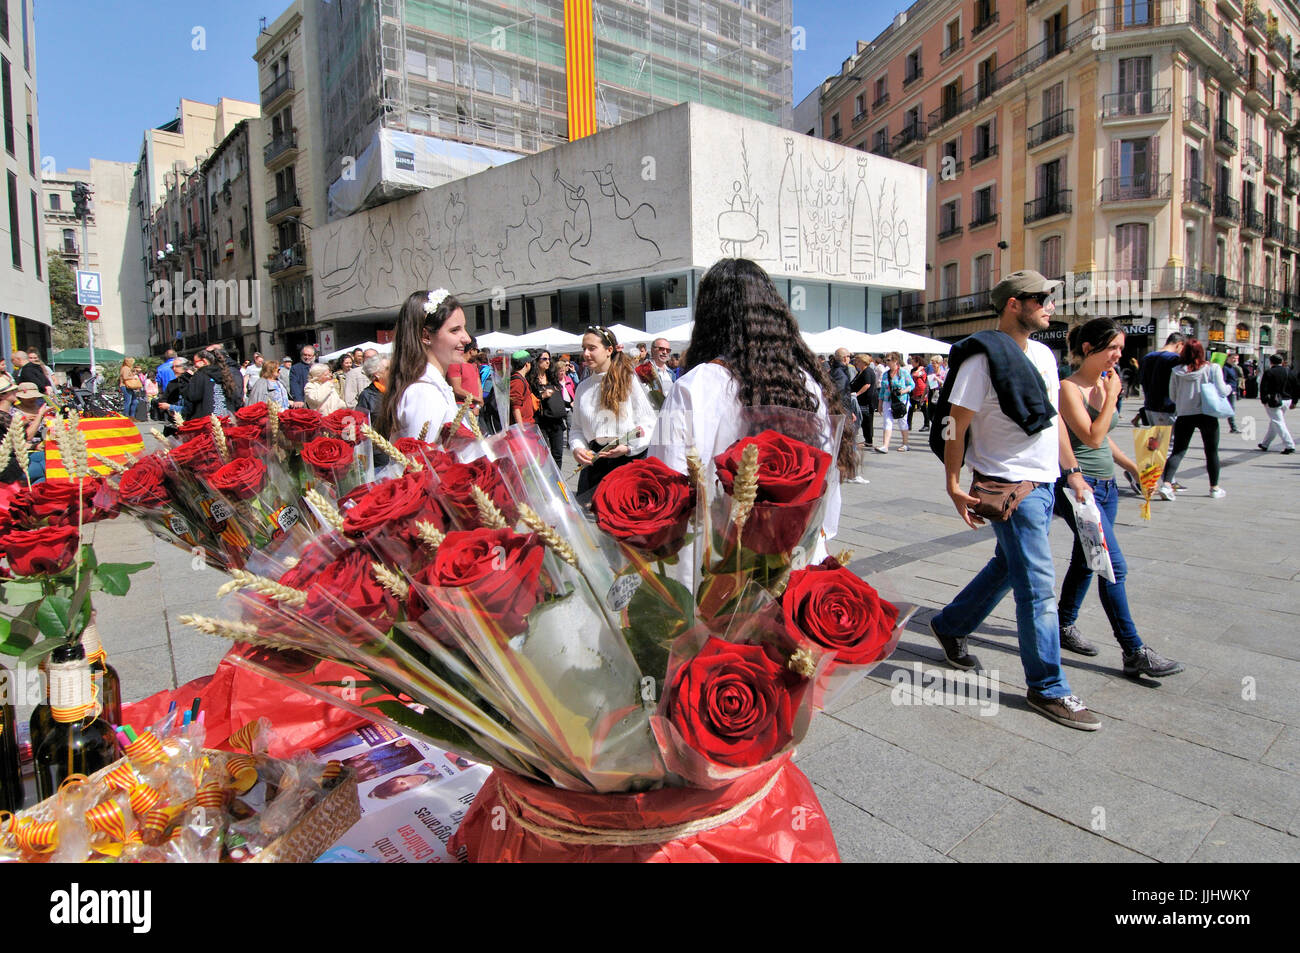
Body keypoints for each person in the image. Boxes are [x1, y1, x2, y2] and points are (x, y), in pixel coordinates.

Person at [931, 269, 1101, 731]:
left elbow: (1054, 422)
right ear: (1013, 303)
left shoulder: (1045, 355)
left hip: (1046, 483)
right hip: (1008, 486)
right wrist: (952, 483)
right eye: (1040, 297)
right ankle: (1047, 687)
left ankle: (950, 624)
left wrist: (1072, 472)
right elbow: (957, 426)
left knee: (1009, 566)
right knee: (1038, 587)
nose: (1049, 303)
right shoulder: (981, 360)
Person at [649, 259, 854, 559]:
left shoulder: (693, 386)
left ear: (708, 316)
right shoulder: (807, 384)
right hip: (793, 552)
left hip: (718, 565)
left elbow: (666, 479)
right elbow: (826, 477)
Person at [1053, 318, 1185, 677]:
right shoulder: (1069, 388)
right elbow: (1091, 438)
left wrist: (1133, 468)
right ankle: (1133, 650)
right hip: (1080, 487)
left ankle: (1063, 625)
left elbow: (1106, 440)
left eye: (1121, 350)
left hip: (1108, 487)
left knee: (1085, 560)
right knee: (1113, 566)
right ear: (1088, 349)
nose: (1119, 356)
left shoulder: (1102, 384)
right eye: (1113, 348)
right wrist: (1111, 397)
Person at [377, 290, 471, 443]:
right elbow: (422, 461)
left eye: (464, 328)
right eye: (455, 330)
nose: (467, 338)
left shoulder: (433, 386)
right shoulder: (424, 392)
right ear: (426, 336)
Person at [571, 327, 656, 495]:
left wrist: (628, 448)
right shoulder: (582, 387)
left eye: (592, 348)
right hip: (594, 466)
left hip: (626, 465)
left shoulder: (629, 380)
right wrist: (578, 448)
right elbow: (576, 429)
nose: (586, 354)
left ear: (609, 350)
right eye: (584, 348)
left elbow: (648, 423)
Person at [1160, 339, 1231, 499]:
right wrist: (1230, 388)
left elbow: (1172, 395)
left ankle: (1166, 485)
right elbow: (1222, 390)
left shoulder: (1177, 371)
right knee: (1211, 451)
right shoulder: (1213, 369)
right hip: (1208, 414)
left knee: (1178, 450)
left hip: (1185, 414)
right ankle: (1214, 488)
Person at [527, 350, 567, 469]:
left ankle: (557, 482)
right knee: (542, 455)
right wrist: (542, 396)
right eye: (544, 359)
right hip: (542, 421)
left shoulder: (552, 377)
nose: (548, 361)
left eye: (549, 359)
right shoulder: (531, 380)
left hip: (557, 421)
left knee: (557, 454)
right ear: (537, 361)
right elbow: (529, 401)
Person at [1135, 331, 1185, 427]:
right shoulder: (1174, 359)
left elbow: (1141, 380)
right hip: (1166, 407)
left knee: (1156, 440)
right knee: (1167, 440)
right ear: (1179, 344)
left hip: (1149, 406)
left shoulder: (1147, 357)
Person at [184, 348, 244, 419]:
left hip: (207, 419)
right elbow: (237, 396)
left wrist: (185, 379)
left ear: (204, 361)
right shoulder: (228, 372)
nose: (194, 365)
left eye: (195, 362)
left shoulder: (200, 374)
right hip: (227, 416)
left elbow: (192, 396)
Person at [355, 355, 391, 469]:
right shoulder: (366, 396)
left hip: (400, 449)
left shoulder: (398, 390)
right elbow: (360, 428)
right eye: (388, 368)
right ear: (377, 374)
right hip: (380, 455)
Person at [1257, 352, 1296, 454]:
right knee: (1274, 422)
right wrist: (1295, 401)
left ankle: (1289, 445)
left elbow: (1263, 387)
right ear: (1282, 362)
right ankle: (1265, 443)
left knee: (1278, 422)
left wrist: (1264, 400)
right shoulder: (1289, 372)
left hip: (1274, 401)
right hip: (1287, 400)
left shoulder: (1269, 372)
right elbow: (1296, 387)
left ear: (1271, 362)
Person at [876, 352, 912, 452]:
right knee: (887, 421)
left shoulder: (903, 373)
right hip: (888, 400)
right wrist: (880, 404)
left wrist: (903, 391)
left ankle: (905, 444)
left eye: (888, 360)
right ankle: (885, 446)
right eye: (886, 360)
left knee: (902, 421)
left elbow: (911, 385)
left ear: (895, 361)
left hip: (901, 401)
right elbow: (882, 390)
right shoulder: (885, 374)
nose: (886, 362)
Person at [850, 353, 878, 449]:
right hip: (861, 400)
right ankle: (867, 439)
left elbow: (867, 385)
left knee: (867, 420)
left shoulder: (867, 371)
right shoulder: (861, 371)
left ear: (863, 362)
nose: (856, 363)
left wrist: (857, 394)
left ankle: (869, 440)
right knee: (864, 420)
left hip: (867, 399)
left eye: (858, 361)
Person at [508, 350, 535, 429]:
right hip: (523, 426)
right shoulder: (517, 381)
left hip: (527, 424)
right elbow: (515, 407)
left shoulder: (520, 379)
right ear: (527, 364)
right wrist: (521, 429)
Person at [1221, 351, 1242, 434]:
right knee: (1231, 409)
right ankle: (1233, 427)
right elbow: (1224, 380)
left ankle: (1233, 427)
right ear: (1228, 358)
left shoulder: (1233, 367)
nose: (1235, 360)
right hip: (1229, 391)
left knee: (1230, 409)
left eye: (1237, 358)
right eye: (1233, 358)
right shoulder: (1225, 368)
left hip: (1233, 390)